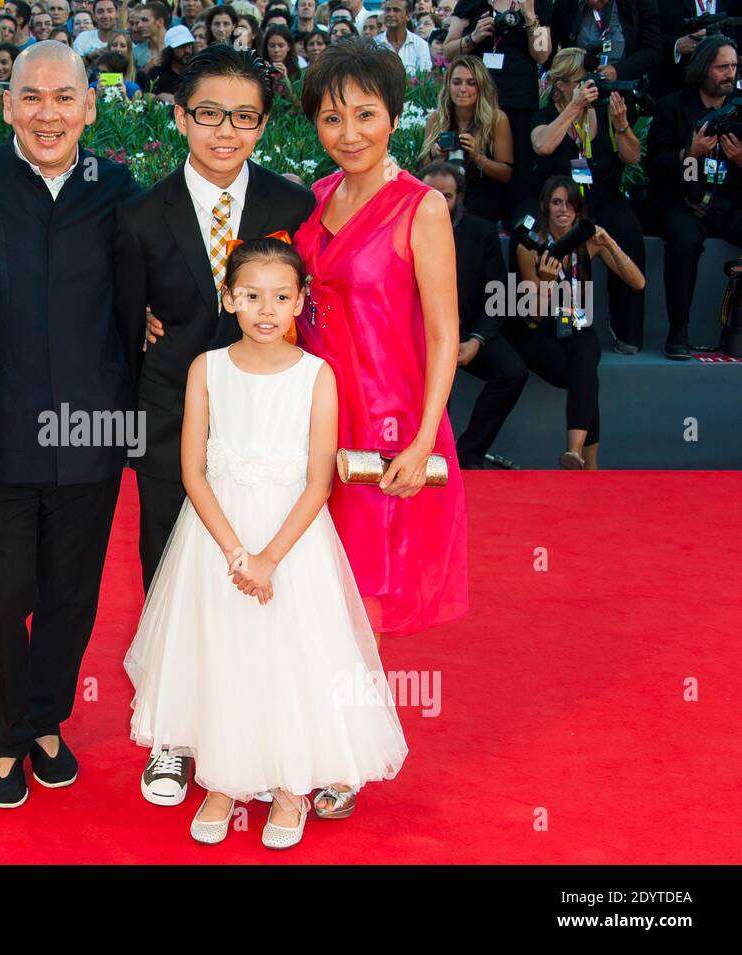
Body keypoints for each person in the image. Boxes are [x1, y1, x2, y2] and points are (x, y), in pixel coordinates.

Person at [125, 237, 408, 849]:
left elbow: (318, 479)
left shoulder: (316, 376)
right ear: (229, 298)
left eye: (282, 297)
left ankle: (290, 786)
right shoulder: (207, 369)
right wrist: (236, 554)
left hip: (292, 539)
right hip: (215, 538)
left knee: (292, 654)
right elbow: (193, 472)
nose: (266, 309)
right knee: (224, 651)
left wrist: (269, 558)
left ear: (301, 301)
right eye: (251, 295)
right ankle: (224, 780)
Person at [0, 40, 141, 810]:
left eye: (65, 98)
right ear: (7, 105)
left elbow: (178, 272)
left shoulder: (120, 192)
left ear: (91, 106)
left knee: (70, 593)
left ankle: (46, 719)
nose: (48, 113)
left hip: (92, 430)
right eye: (32, 97)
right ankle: (0, 734)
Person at [120, 44, 316, 807]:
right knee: (171, 573)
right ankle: (171, 734)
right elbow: (121, 324)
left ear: (262, 124)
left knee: (272, 578)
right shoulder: (138, 215)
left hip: (269, 425)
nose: (224, 131)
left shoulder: (293, 206)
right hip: (174, 424)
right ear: (180, 118)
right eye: (208, 114)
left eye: (243, 117)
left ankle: (267, 723)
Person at [292, 36, 469, 815]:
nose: (351, 132)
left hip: (387, 424)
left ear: (396, 116)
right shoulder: (317, 194)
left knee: (354, 601)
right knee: (307, 593)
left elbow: (442, 333)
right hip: (311, 423)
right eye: (333, 117)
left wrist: (426, 435)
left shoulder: (422, 207)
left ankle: (342, 759)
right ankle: (307, 739)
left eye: (366, 114)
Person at [507, 175, 644, 468]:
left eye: (571, 204)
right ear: (545, 206)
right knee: (585, 375)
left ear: (579, 210)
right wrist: (545, 281)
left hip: (575, 326)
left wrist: (609, 243)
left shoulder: (588, 242)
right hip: (537, 331)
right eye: (557, 202)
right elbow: (534, 314)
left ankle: (573, 452)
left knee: (584, 353)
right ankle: (588, 463)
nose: (563, 210)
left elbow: (638, 282)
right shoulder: (529, 246)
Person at [530, 47, 647, 351]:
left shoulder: (604, 112)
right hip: (564, 204)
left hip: (603, 197)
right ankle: (557, 323)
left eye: (590, 82)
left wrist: (621, 123)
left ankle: (627, 330)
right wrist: (575, 107)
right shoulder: (545, 116)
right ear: (562, 85)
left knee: (629, 232)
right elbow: (543, 146)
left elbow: (632, 156)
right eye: (581, 82)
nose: (589, 88)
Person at [419, 161, 530, 469]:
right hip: (420, 335)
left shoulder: (482, 233)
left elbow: (499, 296)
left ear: (460, 198)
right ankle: (433, 457)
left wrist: (477, 340)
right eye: (431, 194)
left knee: (512, 372)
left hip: (469, 333)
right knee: (433, 381)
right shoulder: (402, 231)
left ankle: (468, 453)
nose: (439, 203)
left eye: (448, 196)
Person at [643, 35, 742, 358]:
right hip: (682, 202)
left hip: (728, 203)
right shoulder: (673, 106)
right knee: (684, 241)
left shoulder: (740, 107)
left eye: (734, 66)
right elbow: (654, 166)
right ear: (703, 69)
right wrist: (690, 153)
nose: (730, 73)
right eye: (722, 67)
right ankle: (679, 331)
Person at [444, 0, 553, 212]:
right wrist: (473, 37)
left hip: (519, 97)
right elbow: (448, 51)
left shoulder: (538, 3)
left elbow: (542, 54)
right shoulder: (470, 4)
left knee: (519, 168)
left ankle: (516, 217)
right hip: (477, 97)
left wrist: (530, 18)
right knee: (478, 160)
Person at [419, 55, 514, 224]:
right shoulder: (436, 119)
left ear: (481, 87)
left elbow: (505, 174)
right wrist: (436, 154)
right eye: (456, 82)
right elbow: (423, 170)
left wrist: (478, 157)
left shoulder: (496, 119)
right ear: (448, 86)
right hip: (443, 200)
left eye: (471, 83)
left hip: (483, 201)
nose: (463, 89)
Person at [549, 0, 664, 90]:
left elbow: (653, 50)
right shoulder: (567, 4)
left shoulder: (637, 4)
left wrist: (617, 71)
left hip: (618, 90)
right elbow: (551, 47)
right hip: (574, 90)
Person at [377, 0, 434, 72]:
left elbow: (423, 79)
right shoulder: (374, 44)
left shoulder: (421, 45)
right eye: (387, 10)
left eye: (396, 10)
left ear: (408, 15)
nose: (390, 14)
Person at [143, 22, 194, 99]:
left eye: (189, 45)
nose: (187, 51)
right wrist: (159, 98)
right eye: (182, 46)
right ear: (170, 50)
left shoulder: (196, 73)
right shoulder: (156, 73)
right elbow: (148, 98)